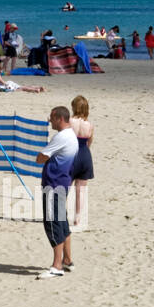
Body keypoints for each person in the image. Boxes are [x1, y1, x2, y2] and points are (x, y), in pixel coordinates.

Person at [36, 106, 78, 278]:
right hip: (63, 183)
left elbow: (41, 157)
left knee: (53, 224)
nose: (50, 120)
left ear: (60, 119)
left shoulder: (61, 137)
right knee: (62, 221)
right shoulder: (72, 135)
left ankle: (57, 265)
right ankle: (67, 260)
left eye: (52, 118)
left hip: (54, 185)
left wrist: (43, 156)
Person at [69, 95, 94, 233]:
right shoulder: (90, 125)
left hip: (71, 154)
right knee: (81, 190)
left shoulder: (70, 121)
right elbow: (89, 142)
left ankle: (60, 213)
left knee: (65, 185)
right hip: (84, 155)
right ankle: (77, 217)